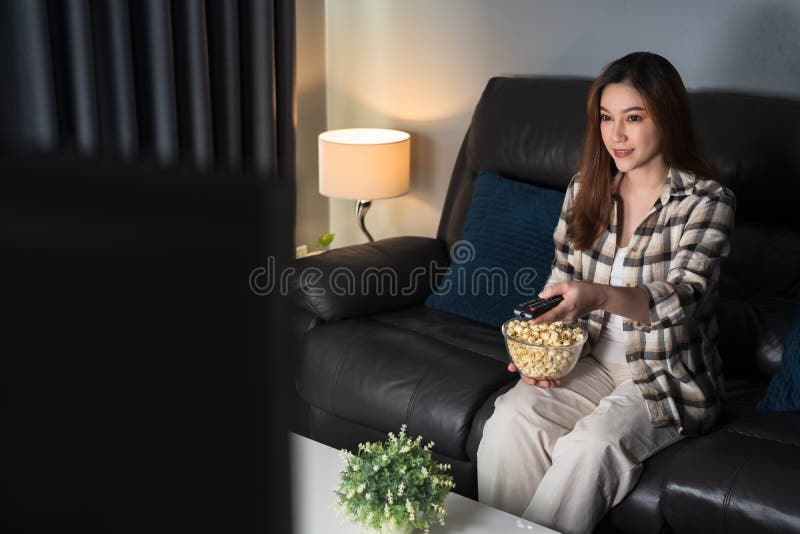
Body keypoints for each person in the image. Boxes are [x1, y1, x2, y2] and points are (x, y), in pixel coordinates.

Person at [476, 52, 736, 534]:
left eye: (633, 118)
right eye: (605, 118)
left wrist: (598, 295)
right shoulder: (585, 189)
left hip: (664, 375)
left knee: (591, 446)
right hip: (588, 359)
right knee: (509, 419)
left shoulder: (706, 201)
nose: (616, 135)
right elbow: (560, 283)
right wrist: (536, 352)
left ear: (667, 118)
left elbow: (686, 297)